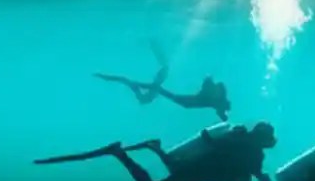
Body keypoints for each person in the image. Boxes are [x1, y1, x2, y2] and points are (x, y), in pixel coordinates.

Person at [34, 121, 277, 181]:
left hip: (195, 170)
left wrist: (258, 179)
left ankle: (155, 148)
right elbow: (241, 167)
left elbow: (248, 170)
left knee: (172, 164)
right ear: (262, 139)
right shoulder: (245, 148)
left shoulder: (251, 151)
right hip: (195, 172)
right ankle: (119, 153)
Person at [95, 41, 232, 121]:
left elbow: (222, 114)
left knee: (154, 81)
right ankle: (154, 45)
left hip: (185, 101)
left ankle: (154, 45)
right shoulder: (217, 98)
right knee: (155, 81)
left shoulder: (217, 99)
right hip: (186, 100)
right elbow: (222, 114)